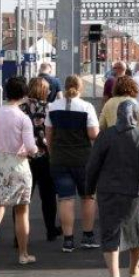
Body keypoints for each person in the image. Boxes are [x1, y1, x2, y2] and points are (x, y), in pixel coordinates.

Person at [85, 100, 139, 277]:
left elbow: (93, 165)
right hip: (136, 193)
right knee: (137, 233)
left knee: (110, 232)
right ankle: (134, 271)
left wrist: (89, 189)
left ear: (118, 115)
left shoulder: (105, 136)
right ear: (135, 116)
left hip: (108, 192)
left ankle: (114, 276)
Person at [0, 76, 40, 265]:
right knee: (22, 211)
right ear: (24, 95)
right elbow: (31, 148)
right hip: (19, 168)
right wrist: (36, 150)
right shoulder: (23, 118)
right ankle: (23, 255)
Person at [46, 74, 101, 252]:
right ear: (80, 88)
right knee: (87, 197)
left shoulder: (53, 107)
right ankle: (87, 236)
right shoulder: (87, 107)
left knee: (65, 199)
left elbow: (48, 135)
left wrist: (52, 153)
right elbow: (93, 134)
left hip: (59, 159)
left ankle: (68, 240)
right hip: (83, 160)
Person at [20, 76, 60, 241]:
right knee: (48, 196)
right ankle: (51, 230)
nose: (50, 91)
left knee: (23, 199)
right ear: (43, 91)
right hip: (45, 157)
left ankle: (19, 236)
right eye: (48, 89)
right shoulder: (50, 108)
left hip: (24, 158)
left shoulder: (21, 108)